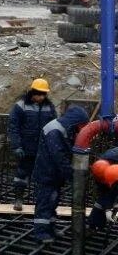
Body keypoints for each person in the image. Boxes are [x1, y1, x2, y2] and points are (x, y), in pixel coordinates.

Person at [31, 105, 90, 244]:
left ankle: (50, 228)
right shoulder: (55, 130)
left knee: (53, 202)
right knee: (45, 203)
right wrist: (71, 175)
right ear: (75, 122)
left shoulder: (65, 128)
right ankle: (41, 233)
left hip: (54, 174)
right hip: (47, 174)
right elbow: (60, 157)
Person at [7, 78, 56, 211]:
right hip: (26, 148)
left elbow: (54, 127)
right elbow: (13, 127)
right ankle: (18, 199)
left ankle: (40, 203)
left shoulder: (49, 107)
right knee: (22, 175)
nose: (41, 97)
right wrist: (17, 146)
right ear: (32, 92)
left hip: (43, 149)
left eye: (43, 94)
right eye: (39, 94)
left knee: (43, 177)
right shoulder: (21, 106)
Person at [87, 152, 118, 230]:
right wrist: (108, 208)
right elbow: (105, 191)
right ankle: (95, 224)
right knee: (104, 194)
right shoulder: (100, 166)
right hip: (107, 172)